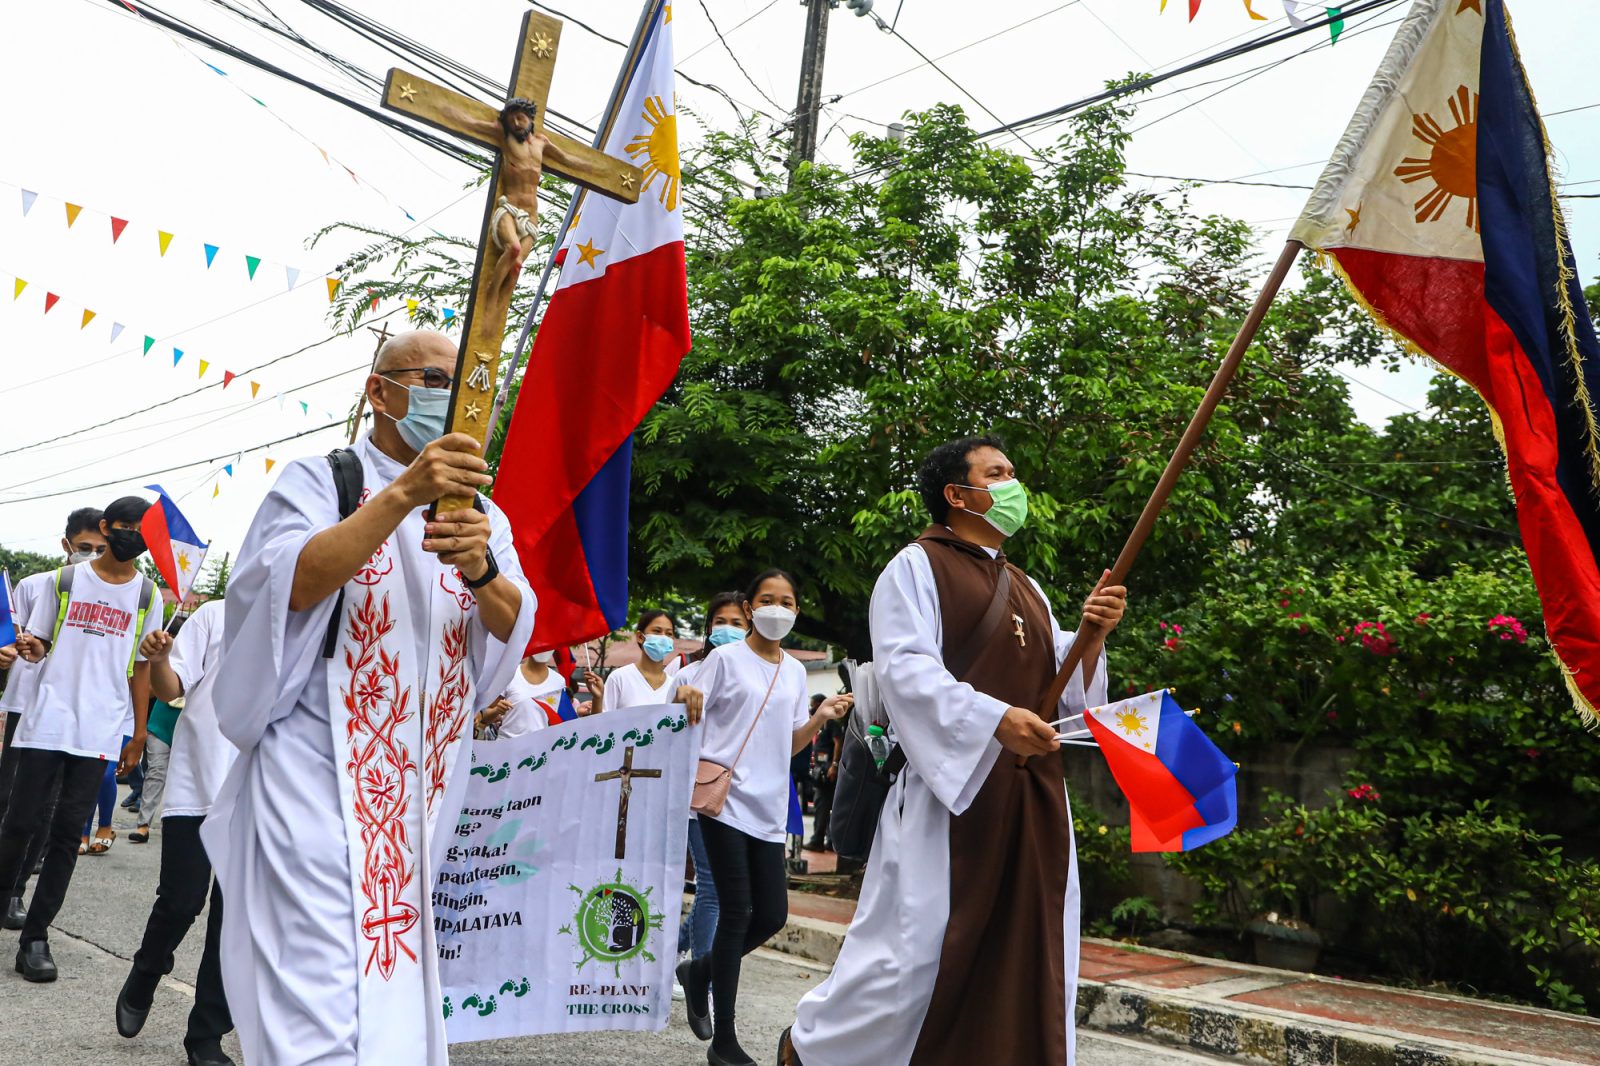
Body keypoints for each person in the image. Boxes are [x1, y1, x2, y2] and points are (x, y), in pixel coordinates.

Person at [201, 329, 536, 1066]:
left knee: (393, 1001)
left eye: (462, 382)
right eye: (430, 377)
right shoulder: (322, 481)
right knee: (318, 1005)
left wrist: (482, 570)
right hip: (315, 784)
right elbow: (290, 584)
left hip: (418, 799)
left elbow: (514, 628)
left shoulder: (483, 512)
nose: (449, 396)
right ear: (379, 391)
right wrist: (403, 495)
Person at [782, 437, 1127, 1066]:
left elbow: (1066, 691)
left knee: (1029, 949)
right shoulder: (913, 568)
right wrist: (994, 720)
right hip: (950, 798)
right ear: (957, 494)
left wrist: (1094, 637)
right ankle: (811, 1049)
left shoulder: (1028, 588)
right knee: (911, 960)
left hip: (1030, 793)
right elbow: (908, 673)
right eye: (997, 474)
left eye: (1012, 473)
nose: (1011, 485)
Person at [678, 570, 852, 1066]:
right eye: (768, 600)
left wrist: (819, 721)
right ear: (751, 608)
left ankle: (700, 971)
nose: (779, 608)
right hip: (724, 801)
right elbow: (683, 702)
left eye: (788, 601)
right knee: (736, 912)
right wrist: (682, 696)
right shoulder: (725, 660)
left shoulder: (796, 672)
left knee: (772, 914)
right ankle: (725, 1043)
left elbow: (789, 741)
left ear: (796, 612)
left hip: (769, 805)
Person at [2, 496, 161, 982]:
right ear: (107, 527)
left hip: (98, 730)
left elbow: (140, 667)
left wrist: (137, 733)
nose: (132, 533)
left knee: (67, 837)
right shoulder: (65, 580)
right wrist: (32, 647)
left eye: (142, 528)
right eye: (125, 525)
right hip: (47, 721)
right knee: (19, 823)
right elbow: (42, 642)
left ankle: (36, 938)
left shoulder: (147, 596)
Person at [116, 599, 236, 1066]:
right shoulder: (216, 614)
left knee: (233, 921)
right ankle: (148, 965)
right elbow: (171, 690)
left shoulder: (317, 616)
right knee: (182, 901)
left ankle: (206, 1037)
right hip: (201, 784)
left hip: (264, 795)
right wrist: (161, 658)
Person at [0, 507, 106, 929]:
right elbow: (9, 642)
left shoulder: (112, 593)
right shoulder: (35, 585)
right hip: (27, 707)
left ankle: (17, 892)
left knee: (49, 812)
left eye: (100, 548)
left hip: (74, 719)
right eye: (85, 548)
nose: (93, 554)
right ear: (66, 545)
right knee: (11, 804)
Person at [673, 592, 746, 990]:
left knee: (731, 892)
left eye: (737, 623)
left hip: (742, 797)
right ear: (708, 627)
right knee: (712, 887)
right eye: (721, 622)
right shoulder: (688, 675)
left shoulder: (758, 675)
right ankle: (704, 978)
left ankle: (674, 952)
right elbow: (670, 725)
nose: (729, 630)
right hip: (699, 794)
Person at [805, 694, 845, 854]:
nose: (812, 707)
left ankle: (818, 840)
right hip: (820, 770)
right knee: (824, 805)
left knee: (822, 804)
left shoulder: (831, 722)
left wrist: (834, 765)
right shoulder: (821, 723)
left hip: (828, 771)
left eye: (814, 704)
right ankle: (828, 840)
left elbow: (838, 743)